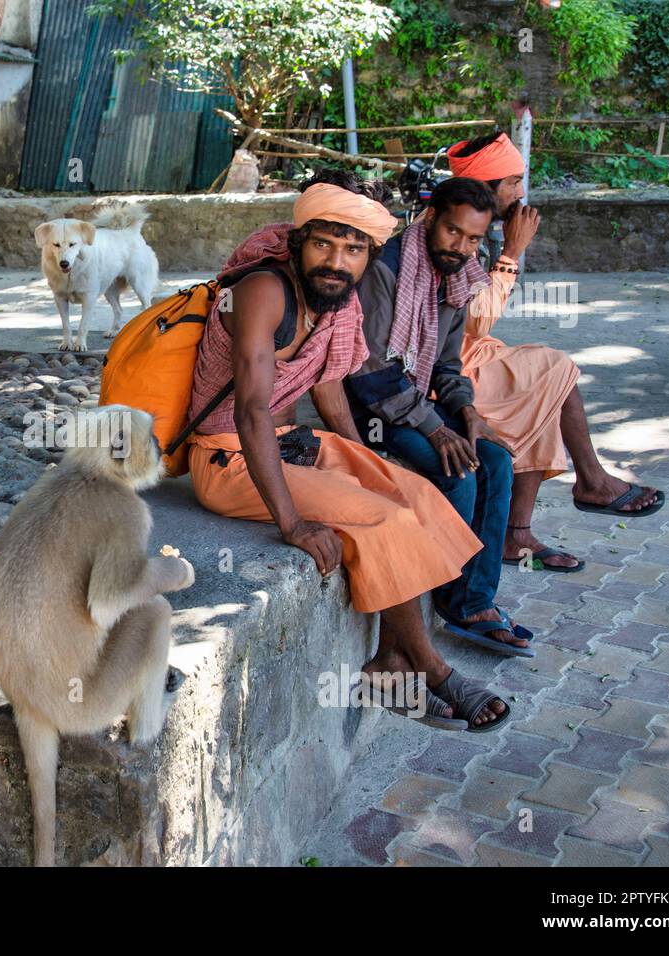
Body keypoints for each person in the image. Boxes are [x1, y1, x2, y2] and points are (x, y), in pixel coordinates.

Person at [187, 170, 510, 730]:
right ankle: (430, 667)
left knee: (415, 494)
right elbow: (250, 410)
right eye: (324, 244)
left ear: (370, 253)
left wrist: (370, 462)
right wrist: (292, 523)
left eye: (354, 248)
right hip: (228, 457)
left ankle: (391, 656)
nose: (337, 261)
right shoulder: (264, 289)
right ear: (299, 240)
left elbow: (329, 384)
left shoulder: (336, 298)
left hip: (291, 444)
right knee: (382, 518)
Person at [448, 133, 664, 573]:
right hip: (444, 369)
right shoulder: (453, 234)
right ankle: (589, 483)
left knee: (545, 383)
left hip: (467, 353)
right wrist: (511, 253)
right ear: (488, 188)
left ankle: (523, 531)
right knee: (555, 367)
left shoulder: (477, 227)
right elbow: (476, 320)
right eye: (512, 182)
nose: (520, 192)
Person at [348, 176, 529, 656]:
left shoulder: (457, 275)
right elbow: (369, 372)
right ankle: (444, 594)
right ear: (431, 218)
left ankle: (472, 599)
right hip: (369, 405)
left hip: (413, 398)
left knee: (494, 458)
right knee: (458, 473)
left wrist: (467, 413)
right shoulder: (387, 268)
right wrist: (435, 427)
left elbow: (447, 364)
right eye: (453, 232)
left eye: (473, 238)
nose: (461, 247)